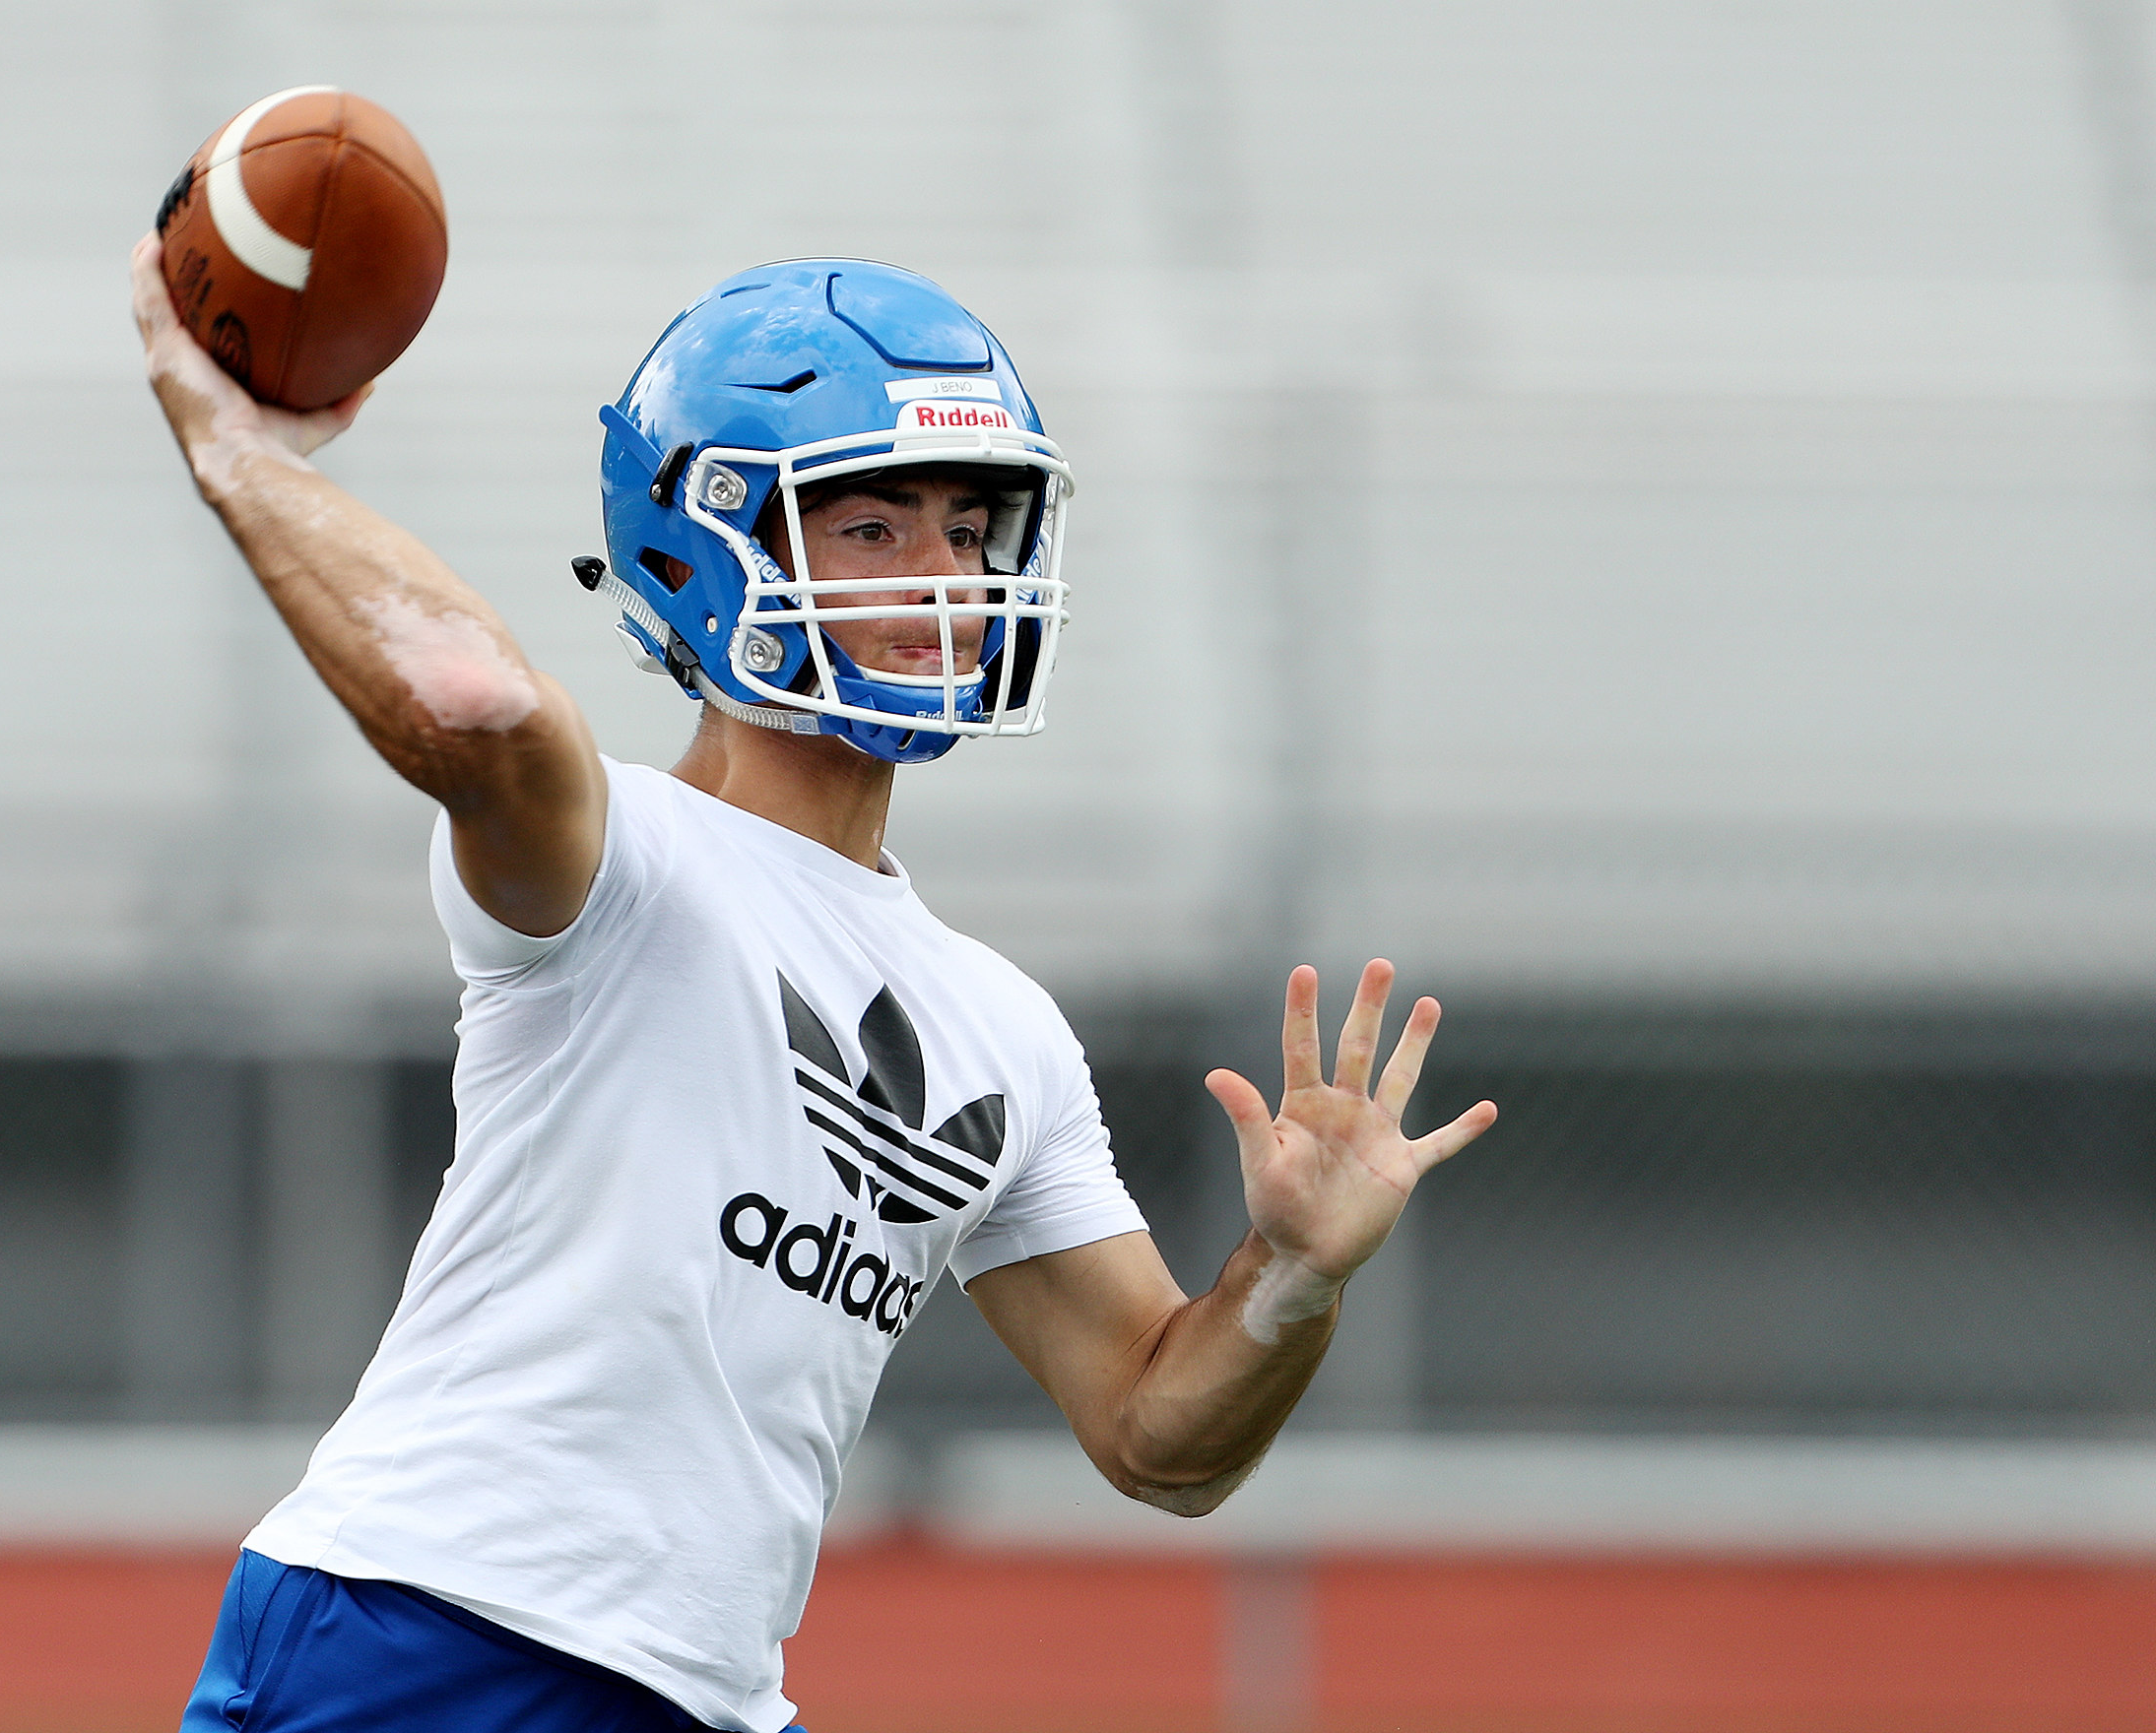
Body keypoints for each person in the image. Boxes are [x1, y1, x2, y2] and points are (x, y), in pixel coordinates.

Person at [132, 238, 1497, 1733]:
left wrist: (1295, 1273)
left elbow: (1162, 1441)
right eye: (870, 525)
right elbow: (479, 707)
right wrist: (235, 449)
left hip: (708, 1699)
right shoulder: (623, 860)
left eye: (970, 527)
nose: (946, 577)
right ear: (702, 548)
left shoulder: (1005, 1028)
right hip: (429, 1637)